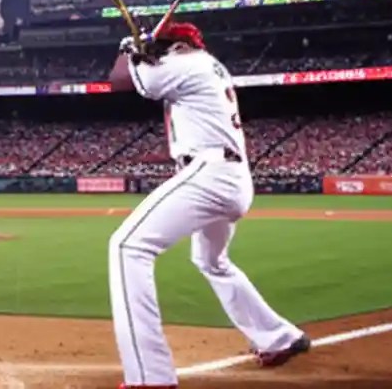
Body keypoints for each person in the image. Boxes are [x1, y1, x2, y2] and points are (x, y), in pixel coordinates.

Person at [106, 21, 309, 389]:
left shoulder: (186, 61)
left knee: (127, 246)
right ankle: (278, 337)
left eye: (162, 48)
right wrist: (145, 48)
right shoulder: (205, 64)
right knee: (211, 261)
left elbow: (119, 80)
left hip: (211, 174)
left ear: (174, 47)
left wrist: (129, 50)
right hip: (229, 175)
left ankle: (150, 378)